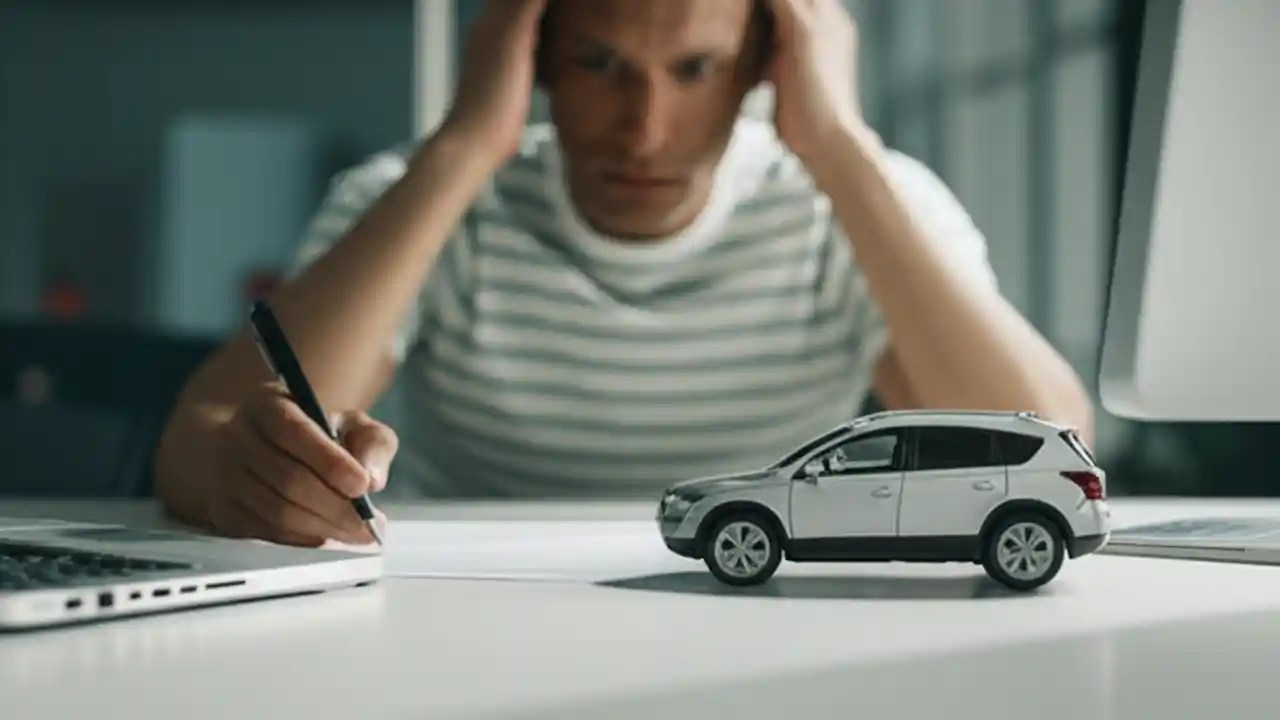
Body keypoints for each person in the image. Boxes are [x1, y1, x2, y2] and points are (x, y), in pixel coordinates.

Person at [153, 0, 1093, 547]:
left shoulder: (860, 203)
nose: (643, 132)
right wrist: (465, 148)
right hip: (469, 619)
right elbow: (197, 438)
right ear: (537, 59)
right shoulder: (421, 194)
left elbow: (1050, 447)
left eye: (695, 68)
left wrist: (841, 147)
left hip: (768, 606)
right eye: (600, 65)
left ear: (764, 67)